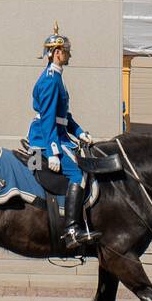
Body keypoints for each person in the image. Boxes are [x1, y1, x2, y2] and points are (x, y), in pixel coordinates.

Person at [27, 22, 97, 252]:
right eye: (66, 51)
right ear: (56, 53)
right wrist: (54, 152)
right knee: (77, 175)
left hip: (57, 133)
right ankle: (71, 229)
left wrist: (80, 132)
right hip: (46, 138)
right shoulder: (49, 80)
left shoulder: (56, 77)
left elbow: (63, 116)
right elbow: (48, 119)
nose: (68, 55)